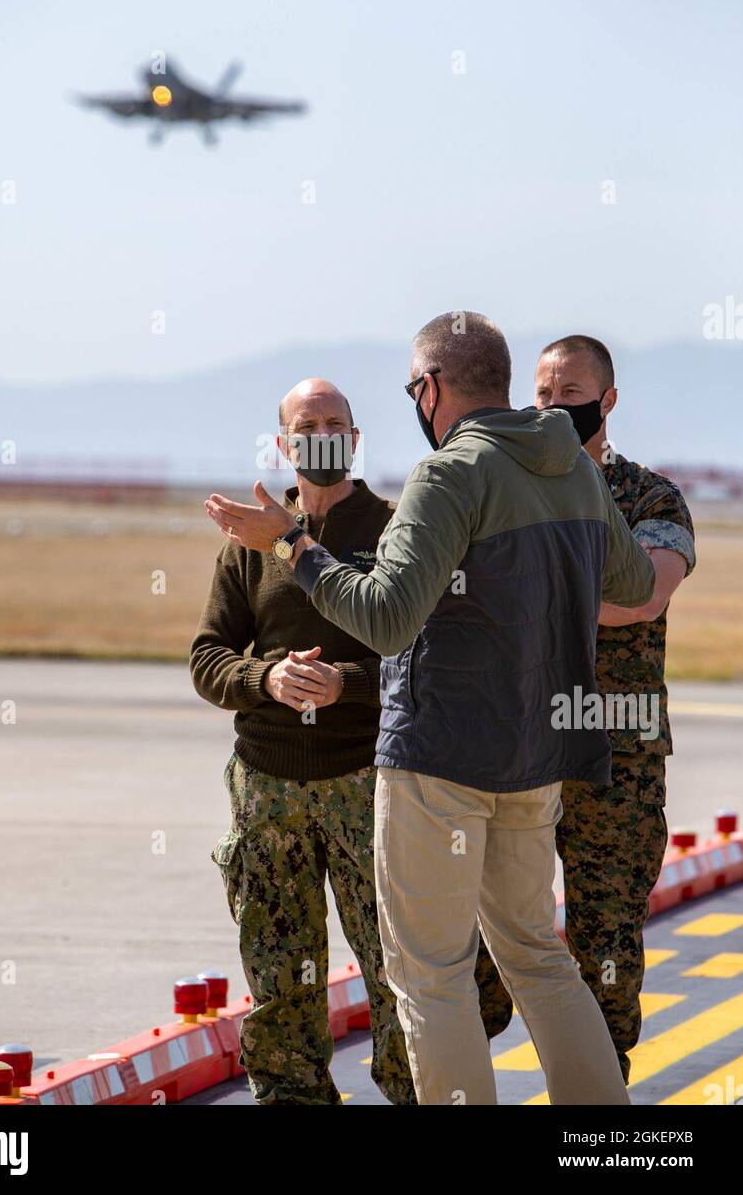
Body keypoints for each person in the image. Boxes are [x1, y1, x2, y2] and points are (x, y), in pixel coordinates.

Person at [205, 312, 657, 1106]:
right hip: (538, 754)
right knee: (536, 957)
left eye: (417, 387)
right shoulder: (572, 469)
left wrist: (293, 547)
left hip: (442, 757)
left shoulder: (447, 475)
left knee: (430, 974)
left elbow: (385, 618)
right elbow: (629, 583)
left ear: (434, 388)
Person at [190, 376, 511, 1106]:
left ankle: (413, 1095)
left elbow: (434, 654)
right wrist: (268, 678)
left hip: (372, 784)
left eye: (336, 422)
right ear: (283, 444)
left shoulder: (397, 529)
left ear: (357, 438)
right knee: (279, 980)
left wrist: (349, 684)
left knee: (397, 970)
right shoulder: (253, 543)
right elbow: (208, 657)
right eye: (308, 425)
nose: (323, 435)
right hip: (267, 788)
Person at [534, 333, 696, 1082]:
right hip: (520, 748)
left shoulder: (649, 497)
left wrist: (532, 597)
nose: (556, 407)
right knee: (489, 943)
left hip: (614, 750)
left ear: (608, 399)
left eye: (571, 395)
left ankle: (598, 1102)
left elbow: (645, 594)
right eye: (544, 395)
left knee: (606, 943)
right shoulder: (512, 490)